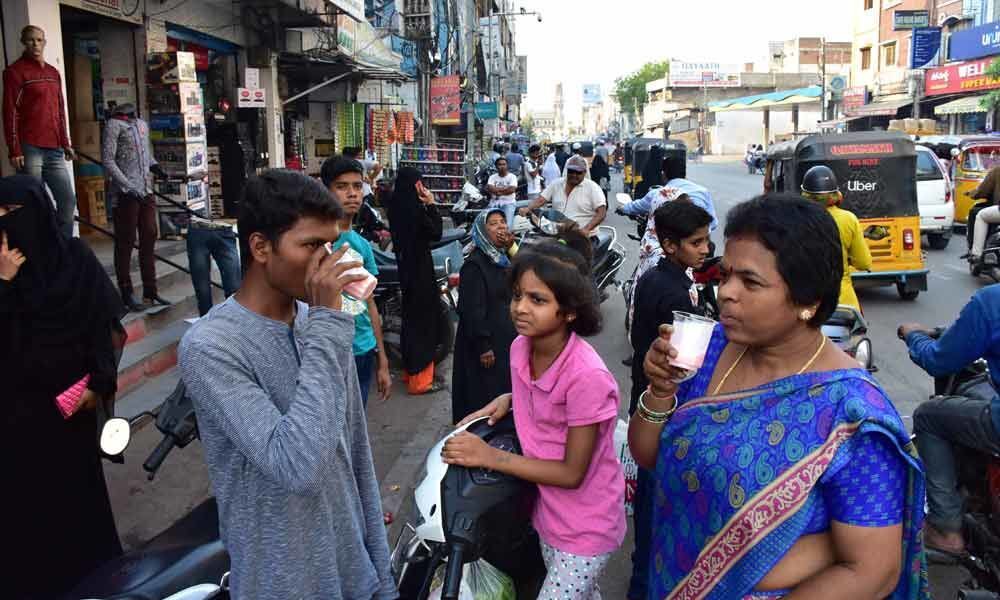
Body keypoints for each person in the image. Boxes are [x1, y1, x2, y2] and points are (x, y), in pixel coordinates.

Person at [629, 194, 928, 599]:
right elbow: (651, 457)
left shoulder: (853, 416)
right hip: (672, 579)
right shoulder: (707, 349)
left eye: (750, 282)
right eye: (725, 276)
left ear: (808, 301)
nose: (728, 293)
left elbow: (871, 571)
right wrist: (660, 391)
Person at [177, 170, 396, 600]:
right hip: (281, 581)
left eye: (331, 245)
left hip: (352, 570)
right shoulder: (210, 347)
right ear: (260, 247)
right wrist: (330, 324)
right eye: (313, 245)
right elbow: (298, 466)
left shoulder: (320, 321)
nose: (328, 261)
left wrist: (381, 578)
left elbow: (355, 454)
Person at [443, 243, 625, 600]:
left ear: (569, 311)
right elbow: (542, 403)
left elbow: (572, 473)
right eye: (516, 296)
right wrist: (508, 400)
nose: (520, 308)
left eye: (537, 300)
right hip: (548, 516)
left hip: (586, 528)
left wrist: (490, 456)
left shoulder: (587, 377)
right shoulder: (520, 348)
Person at [1, 175, 127, 599]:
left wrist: (97, 384)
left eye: (13, 214)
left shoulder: (73, 257)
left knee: (78, 505)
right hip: (18, 417)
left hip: (69, 408)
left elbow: (104, 326)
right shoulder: (2, 269)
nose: (6, 225)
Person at [626, 200, 713, 600]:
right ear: (669, 244)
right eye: (696, 242)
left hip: (649, 400)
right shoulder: (672, 290)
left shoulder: (663, 277)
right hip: (659, 409)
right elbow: (682, 365)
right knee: (654, 512)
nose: (705, 248)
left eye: (706, 240)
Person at [900, 284, 1000, 557]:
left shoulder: (992, 300)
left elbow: (939, 359)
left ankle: (945, 529)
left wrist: (914, 335)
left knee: (927, 416)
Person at [321, 156, 391, 406]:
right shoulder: (315, 243)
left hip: (362, 350)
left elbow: (369, 303)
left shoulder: (362, 246)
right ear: (326, 191)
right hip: (329, 354)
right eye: (342, 187)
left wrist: (381, 359)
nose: (352, 193)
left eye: (357, 186)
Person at [3, 25, 76, 238]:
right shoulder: (15, 72)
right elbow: (10, 112)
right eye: (30, 40)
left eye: (39, 40)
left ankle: (63, 249)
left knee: (67, 201)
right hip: (30, 147)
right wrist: (14, 149)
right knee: (33, 202)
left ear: (44, 42)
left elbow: (60, 111)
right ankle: (38, 251)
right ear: (23, 42)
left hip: (54, 148)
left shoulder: (53, 73)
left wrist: (66, 142)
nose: (35, 44)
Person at [102, 102, 171, 311]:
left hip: (145, 189)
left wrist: (156, 167)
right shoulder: (114, 126)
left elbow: (145, 152)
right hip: (126, 193)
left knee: (149, 234)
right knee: (126, 241)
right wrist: (126, 184)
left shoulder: (141, 125)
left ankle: (151, 290)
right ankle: (126, 291)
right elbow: (108, 160)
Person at [451, 208, 517, 422]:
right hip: (485, 345)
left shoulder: (503, 259)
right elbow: (472, 309)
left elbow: (525, 274)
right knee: (484, 392)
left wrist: (511, 247)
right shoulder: (475, 264)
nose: (501, 227)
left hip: (504, 339)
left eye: (502, 222)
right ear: (481, 230)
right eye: (494, 223)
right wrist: (483, 345)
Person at [385, 166, 445, 394]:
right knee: (424, 324)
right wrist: (430, 204)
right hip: (420, 272)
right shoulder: (416, 209)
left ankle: (412, 372)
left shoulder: (395, 206)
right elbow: (436, 232)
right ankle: (421, 381)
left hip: (406, 270)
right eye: (419, 182)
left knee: (411, 321)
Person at [620, 152, 718, 281]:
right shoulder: (702, 191)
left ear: (663, 174)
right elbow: (713, 223)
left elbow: (635, 206)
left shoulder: (659, 194)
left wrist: (622, 209)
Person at [800, 165, 872, 312]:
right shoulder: (848, 219)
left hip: (807, 303)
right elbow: (863, 262)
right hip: (843, 302)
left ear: (805, 194)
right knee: (858, 334)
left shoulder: (796, 219)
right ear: (835, 194)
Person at [526, 155, 607, 236]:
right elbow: (541, 199)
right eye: (571, 171)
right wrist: (527, 208)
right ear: (567, 170)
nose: (574, 175)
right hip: (558, 232)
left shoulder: (593, 188)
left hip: (582, 236)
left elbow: (601, 213)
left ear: (584, 172)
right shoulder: (556, 184)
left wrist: (586, 229)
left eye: (578, 172)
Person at [969, 164, 1000, 263]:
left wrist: (972, 193)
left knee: (981, 216)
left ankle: (976, 254)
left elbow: (982, 191)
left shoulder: (997, 170)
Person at [487, 156, 519, 227]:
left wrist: (497, 191)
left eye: (504, 164)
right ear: (496, 166)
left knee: (507, 225)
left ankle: (507, 236)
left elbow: (512, 189)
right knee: (485, 221)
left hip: (508, 203)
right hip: (494, 203)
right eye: (500, 164)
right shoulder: (492, 177)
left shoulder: (512, 177)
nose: (502, 166)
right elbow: (490, 188)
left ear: (507, 165)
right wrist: (505, 189)